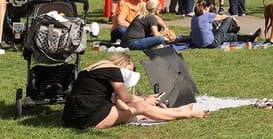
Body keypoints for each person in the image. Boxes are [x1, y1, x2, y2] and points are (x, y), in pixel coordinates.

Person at [62, 52, 208, 129]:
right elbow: (125, 98)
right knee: (141, 107)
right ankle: (187, 114)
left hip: (74, 114)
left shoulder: (97, 66)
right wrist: (146, 100)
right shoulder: (114, 71)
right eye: (130, 71)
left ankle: (177, 112)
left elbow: (119, 99)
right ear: (125, 65)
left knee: (140, 113)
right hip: (90, 116)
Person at [188, 0, 260, 48]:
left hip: (197, 43)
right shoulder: (207, 15)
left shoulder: (194, 17)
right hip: (211, 43)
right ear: (206, 8)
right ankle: (232, 30)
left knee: (228, 37)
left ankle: (250, 38)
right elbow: (224, 17)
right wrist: (234, 21)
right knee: (228, 19)